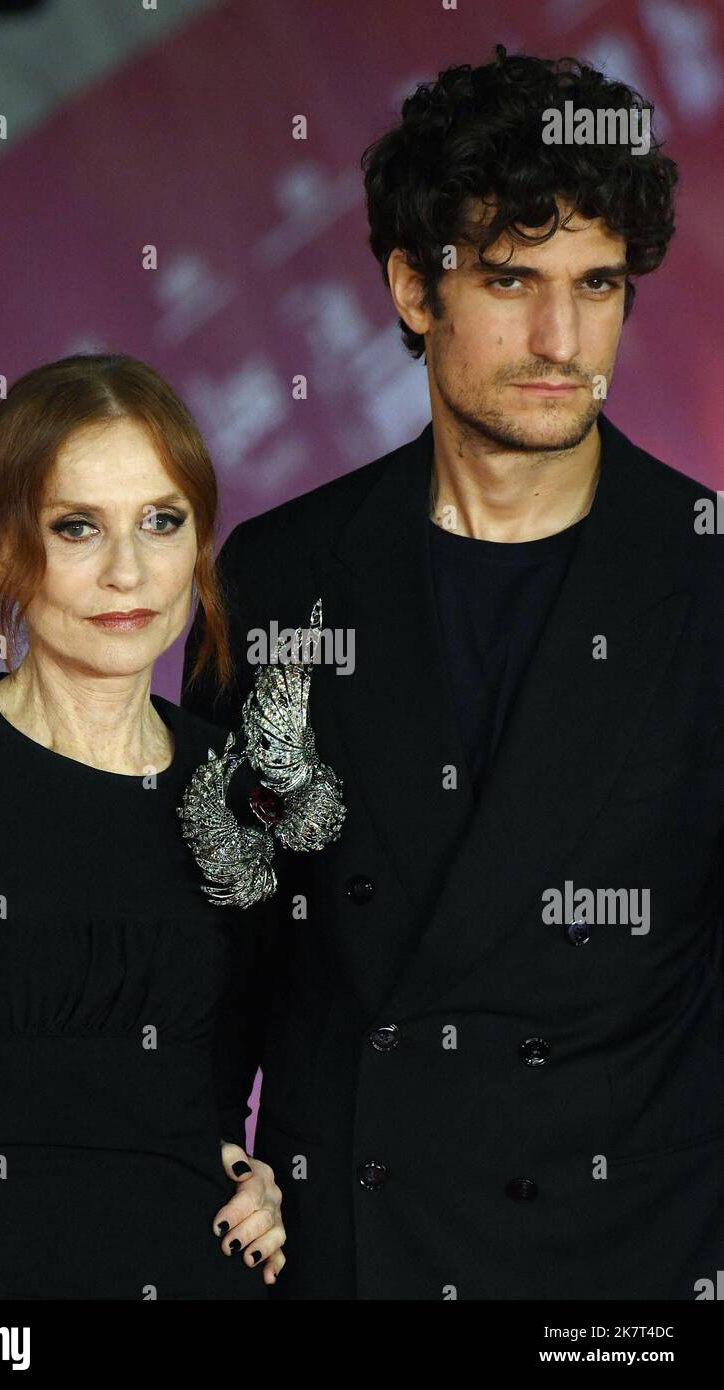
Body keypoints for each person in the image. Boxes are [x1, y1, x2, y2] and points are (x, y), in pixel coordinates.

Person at [180, 46, 724, 1299]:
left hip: (632, 1268)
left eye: (596, 284)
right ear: (412, 292)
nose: (559, 337)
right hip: (356, 1255)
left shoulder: (702, 584)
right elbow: (216, 946)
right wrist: (200, 1170)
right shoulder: (280, 578)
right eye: (510, 280)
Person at [0, 353, 285, 1298]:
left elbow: (230, 1092)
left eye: (161, 521)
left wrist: (264, 1181)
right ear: (1, 547)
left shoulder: (240, 794)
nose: (128, 570)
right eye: (77, 528)